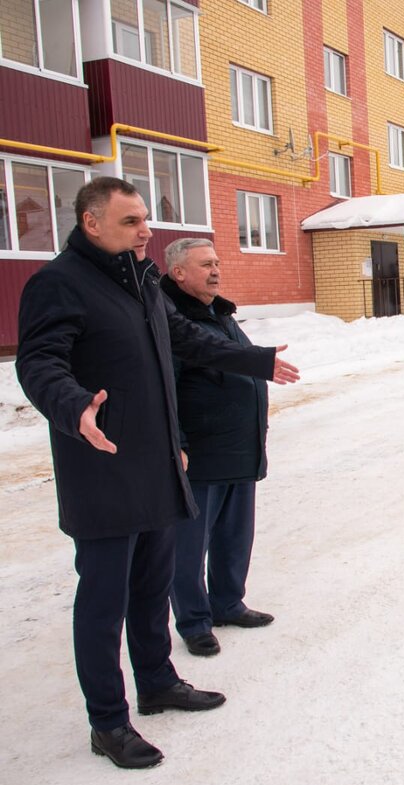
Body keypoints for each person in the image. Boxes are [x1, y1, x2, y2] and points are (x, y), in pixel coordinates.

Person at [15, 177, 300, 769]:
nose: (146, 230)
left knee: (151, 590)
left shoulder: (141, 281)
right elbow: (39, 361)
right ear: (91, 223)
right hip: (101, 470)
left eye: (145, 218)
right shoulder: (58, 284)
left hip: (156, 466)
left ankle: (157, 682)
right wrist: (73, 407)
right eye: (131, 221)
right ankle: (108, 723)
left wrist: (256, 361)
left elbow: (186, 341)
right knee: (103, 603)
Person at [159, 239, 275, 660]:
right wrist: (179, 444)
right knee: (189, 545)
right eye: (205, 264)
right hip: (201, 456)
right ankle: (193, 621)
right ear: (178, 273)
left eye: (217, 263)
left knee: (234, 535)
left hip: (239, 449)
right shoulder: (172, 320)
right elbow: (165, 391)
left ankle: (227, 603)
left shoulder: (220, 314)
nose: (215, 271)